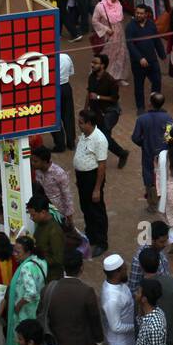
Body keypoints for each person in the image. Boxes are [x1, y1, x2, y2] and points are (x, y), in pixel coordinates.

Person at [2, 236, 47, 345]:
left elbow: (31, 292)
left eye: (17, 251)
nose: (14, 254)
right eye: (14, 251)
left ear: (27, 251)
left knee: (24, 341)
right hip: (35, 310)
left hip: (25, 313)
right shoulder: (40, 261)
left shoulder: (26, 268)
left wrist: (18, 305)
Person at [73, 109, 110, 256]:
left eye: (81, 123)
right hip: (82, 177)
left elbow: (102, 166)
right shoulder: (84, 135)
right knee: (85, 207)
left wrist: (96, 189)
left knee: (96, 211)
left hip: (92, 178)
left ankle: (101, 242)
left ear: (89, 123)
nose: (79, 125)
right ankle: (91, 236)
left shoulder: (100, 140)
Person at [126, 4, 166, 112]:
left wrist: (162, 55)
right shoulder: (130, 27)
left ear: (146, 14)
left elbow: (157, 41)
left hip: (152, 60)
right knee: (139, 85)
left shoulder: (151, 25)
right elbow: (130, 45)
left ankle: (155, 105)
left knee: (157, 81)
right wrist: (140, 58)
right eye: (137, 13)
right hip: (138, 63)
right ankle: (140, 107)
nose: (138, 15)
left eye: (141, 13)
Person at [91, 0, 127, 81]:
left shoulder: (118, 4)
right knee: (107, 56)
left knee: (120, 55)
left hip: (119, 34)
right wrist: (106, 29)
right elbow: (94, 21)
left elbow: (120, 19)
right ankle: (104, 76)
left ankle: (117, 77)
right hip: (108, 36)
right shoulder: (100, 7)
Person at [27, 195, 66, 282]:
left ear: (43, 212)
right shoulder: (41, 223)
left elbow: (58, 259)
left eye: (33, 215)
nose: (31, 218)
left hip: (51, 277)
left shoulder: (54, 232)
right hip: (41, 271)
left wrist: (38, 260)